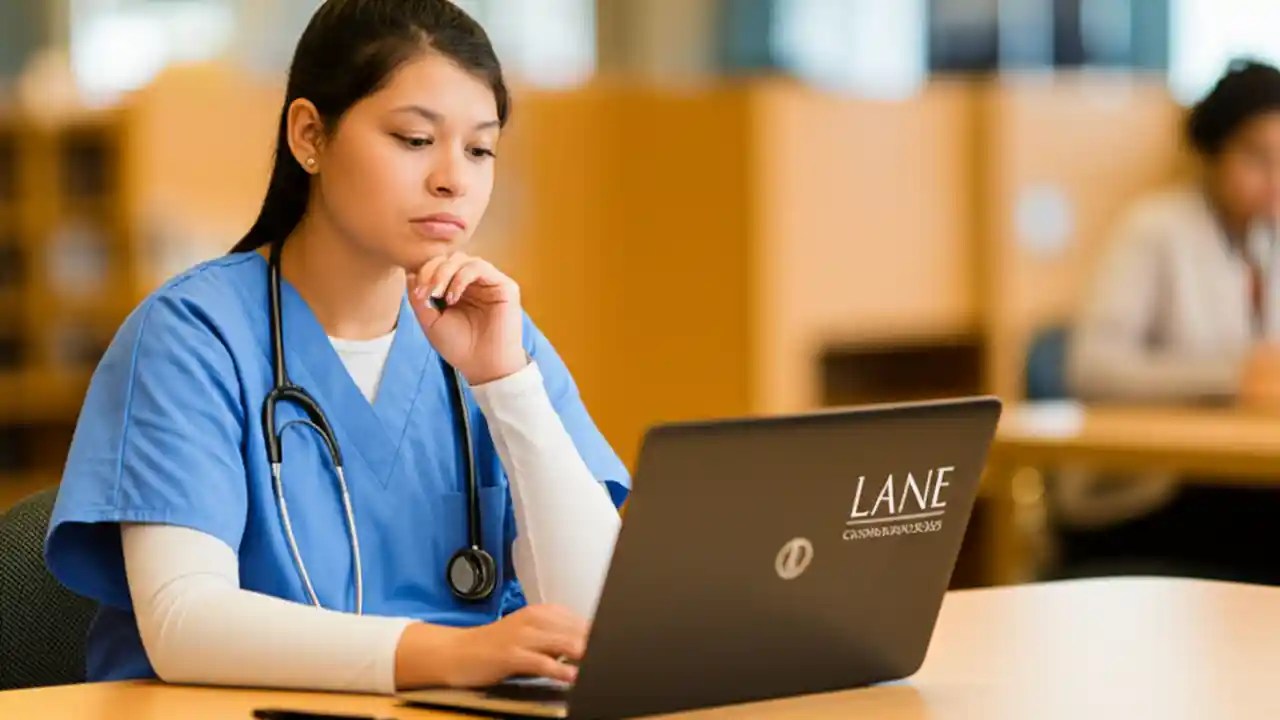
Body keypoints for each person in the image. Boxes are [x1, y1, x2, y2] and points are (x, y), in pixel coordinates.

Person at [44, 0, 629, 694]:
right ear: (309, 135)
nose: (453, 178)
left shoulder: (498, 338)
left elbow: (597, 620)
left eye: (479, 149)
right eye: (414, 139)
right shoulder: (195, 336)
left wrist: (506, 384)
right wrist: (448, 654)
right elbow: (183, 622)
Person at [1060, 59, 1280, 584]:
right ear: (1213, 152)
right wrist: (1234, 376)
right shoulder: (1155, 230)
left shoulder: (1268, 240)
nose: (1275, 179)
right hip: (1149, 490)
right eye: (1257, 157)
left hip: (1242, 479)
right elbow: (1090, 368)